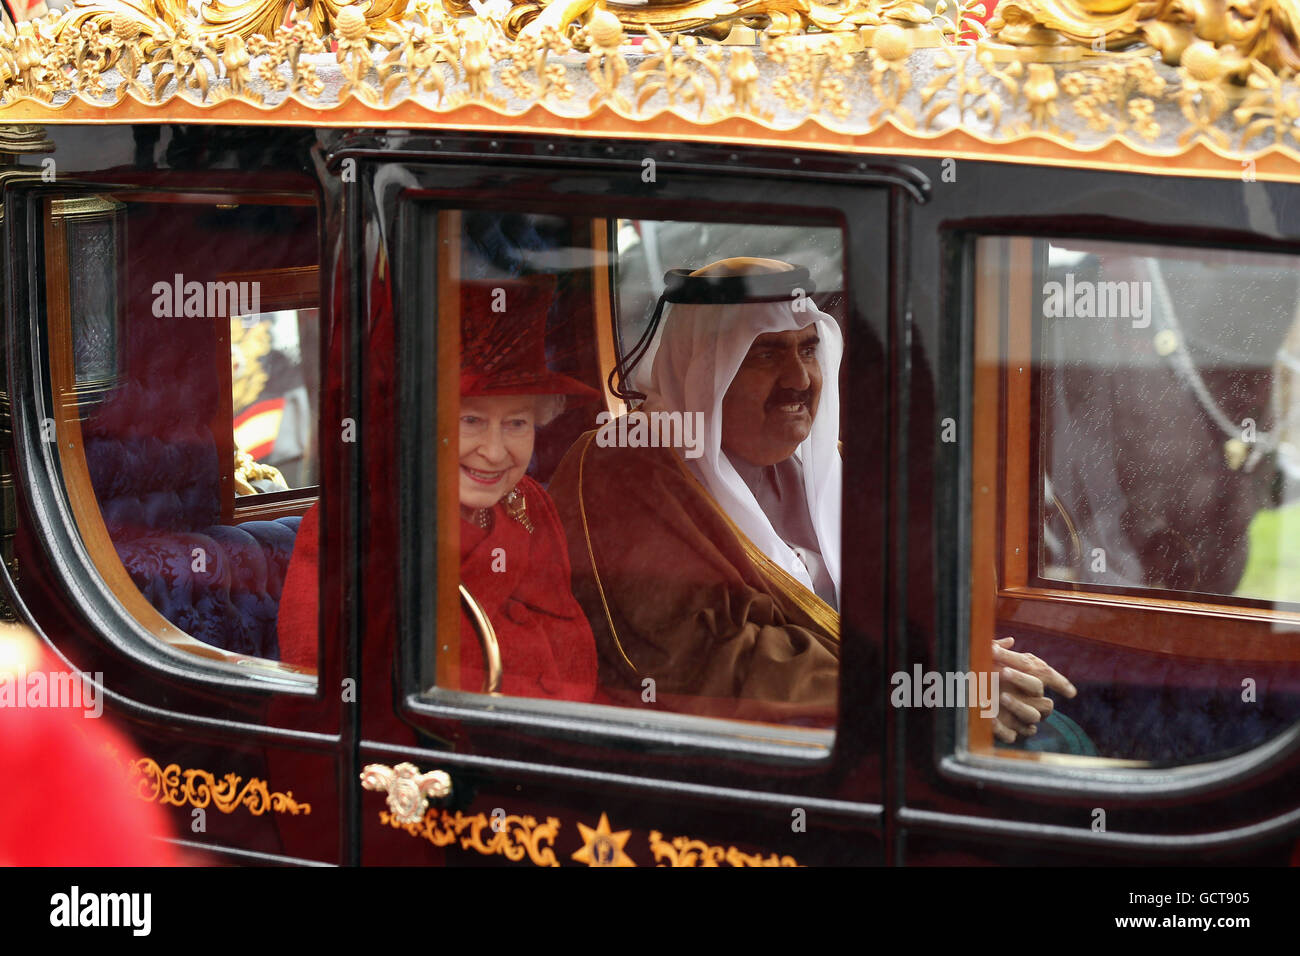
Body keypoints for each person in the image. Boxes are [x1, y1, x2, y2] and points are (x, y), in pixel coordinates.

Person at [551, 257, 1079, 739]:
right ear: (703, 369)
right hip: (750, 744)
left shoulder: (819, 462)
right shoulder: (625, 465)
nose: (799, 380)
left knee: (1063, 737)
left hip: (866, 706)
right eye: (765, 354)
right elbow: (712, 662)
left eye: (808, 349)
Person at [455, 277, 602, 702]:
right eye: (471, 420)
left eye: (517, 422)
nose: (495, 451)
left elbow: (574, 648)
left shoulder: (529, 502)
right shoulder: (362, 521)